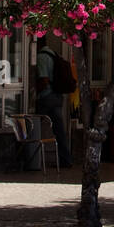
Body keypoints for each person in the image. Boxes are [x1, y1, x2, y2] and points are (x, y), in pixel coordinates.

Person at [35, 38, 73, 167]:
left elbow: (44, 79)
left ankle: (34, 160)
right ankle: (66, 160)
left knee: (33, 127)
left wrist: (35, 91)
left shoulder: (41, 57)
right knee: (59, 130)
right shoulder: (54, 54)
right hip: (58, 97)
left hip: (46, 97)